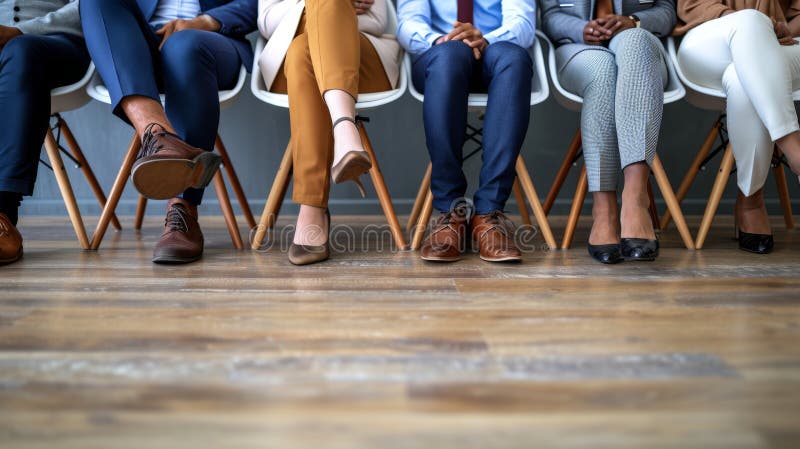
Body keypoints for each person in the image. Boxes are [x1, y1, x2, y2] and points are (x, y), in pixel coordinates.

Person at [79, 0, 257, 263]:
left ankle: (182, 209)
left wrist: (205, 22)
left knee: (183, 44)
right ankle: (158, 135)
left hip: (210, 40)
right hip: (139, 44)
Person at [258, 0, 402, 265]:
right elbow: (265, 22)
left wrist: (335, 10)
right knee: (301, 50)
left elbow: (378, 21)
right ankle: (345, 126)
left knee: (304, 50)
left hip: (360, 57)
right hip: (287, 64)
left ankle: (312, 209)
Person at [397, 0, 536, 263]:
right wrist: (444, 40)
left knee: (514, 58)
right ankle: (450, 212)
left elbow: (523, 24)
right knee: (451, 54)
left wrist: (484, 40)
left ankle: (488, 215)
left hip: (495, 51)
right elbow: (408, 24)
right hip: (439, 57)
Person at [541, 0, 676, 264]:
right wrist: (581, 29)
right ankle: (604, 211)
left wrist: (634, 21)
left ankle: (635, 200)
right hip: (578, 47)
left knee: (636, 39)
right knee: (602, 71)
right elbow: (550, 16)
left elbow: (667, 11)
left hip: (642, 51)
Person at [675, 0, 800, 254]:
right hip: (709, 41)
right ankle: (795, 150)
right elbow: (689, 5)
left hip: (782, 45)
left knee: (741, 77)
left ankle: (751, 199)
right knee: (750, 21)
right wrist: (755, 26)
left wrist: (785, 29)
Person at [0, 0, 89, 265]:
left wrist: (21, 31)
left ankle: (3, 211)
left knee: (22, 49)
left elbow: (89, 6)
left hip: (55, 44)